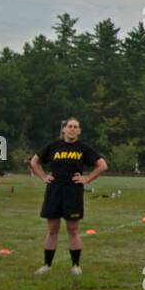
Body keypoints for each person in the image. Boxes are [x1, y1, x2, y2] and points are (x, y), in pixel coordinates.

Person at [30, 117, 107, 275]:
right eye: (70, 126)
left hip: (73, 192)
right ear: (64, 130)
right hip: (54, 191)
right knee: (52, 230)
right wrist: (43, 176)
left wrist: (87, 179)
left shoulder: (83, 148)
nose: (72, 129)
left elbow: (102, 165)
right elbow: (34, 161)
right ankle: (47, 265)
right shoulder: (53, 146)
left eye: (75, 127)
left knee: (73, 230)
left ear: (79, 131)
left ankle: (75, 265)